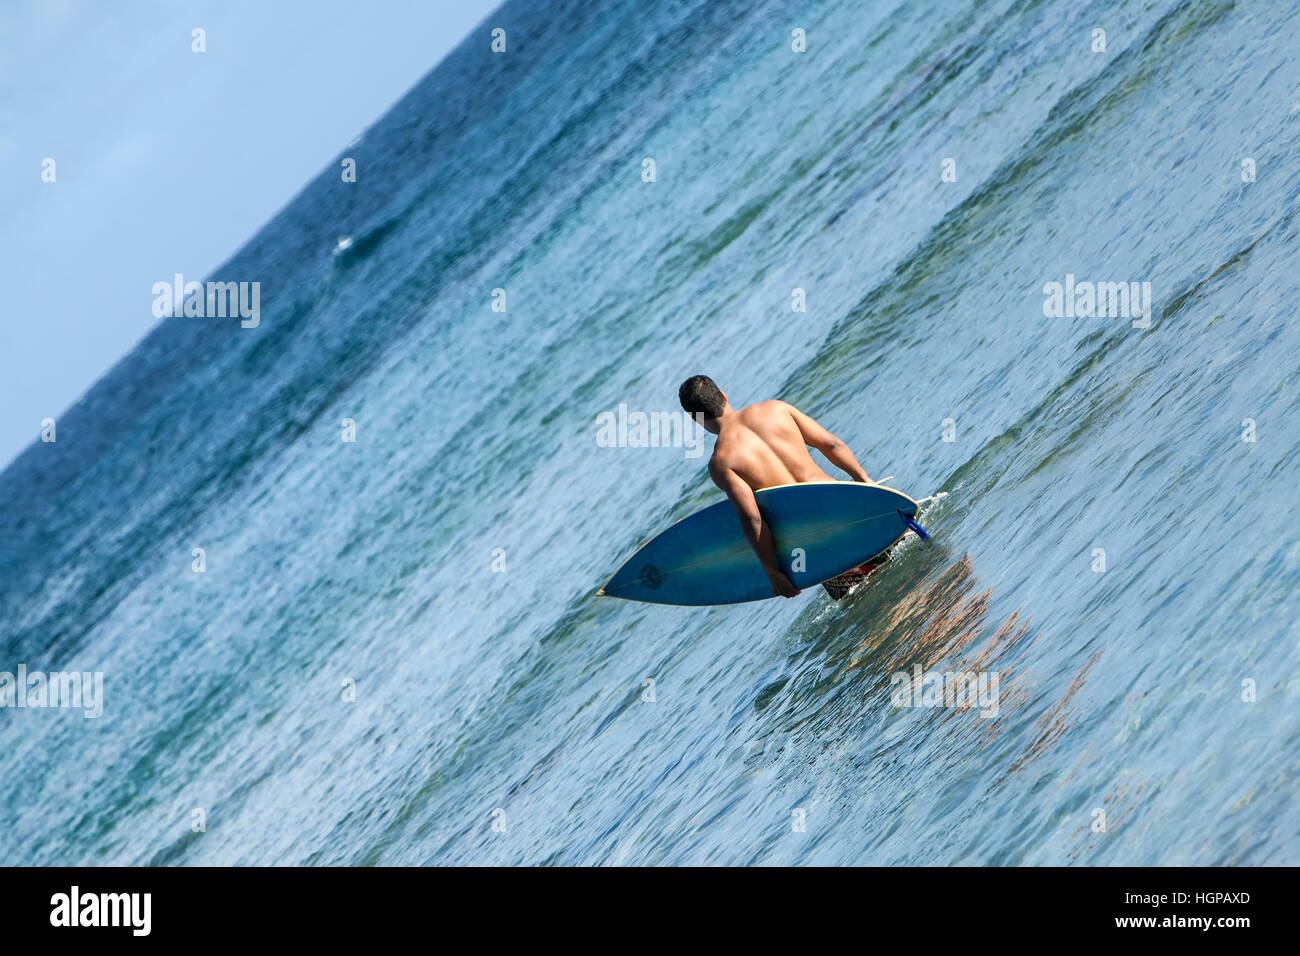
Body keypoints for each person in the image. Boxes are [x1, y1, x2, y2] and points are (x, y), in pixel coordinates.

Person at [678, 374, 879, 599]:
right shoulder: (776, 409)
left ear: (696, 419)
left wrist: (771, 571)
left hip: (820, 539)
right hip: (849, 506)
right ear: (723, 395)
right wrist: (864, 481)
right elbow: (831, 444)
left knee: (865, 599)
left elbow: (753, 518)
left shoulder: (722, 463)